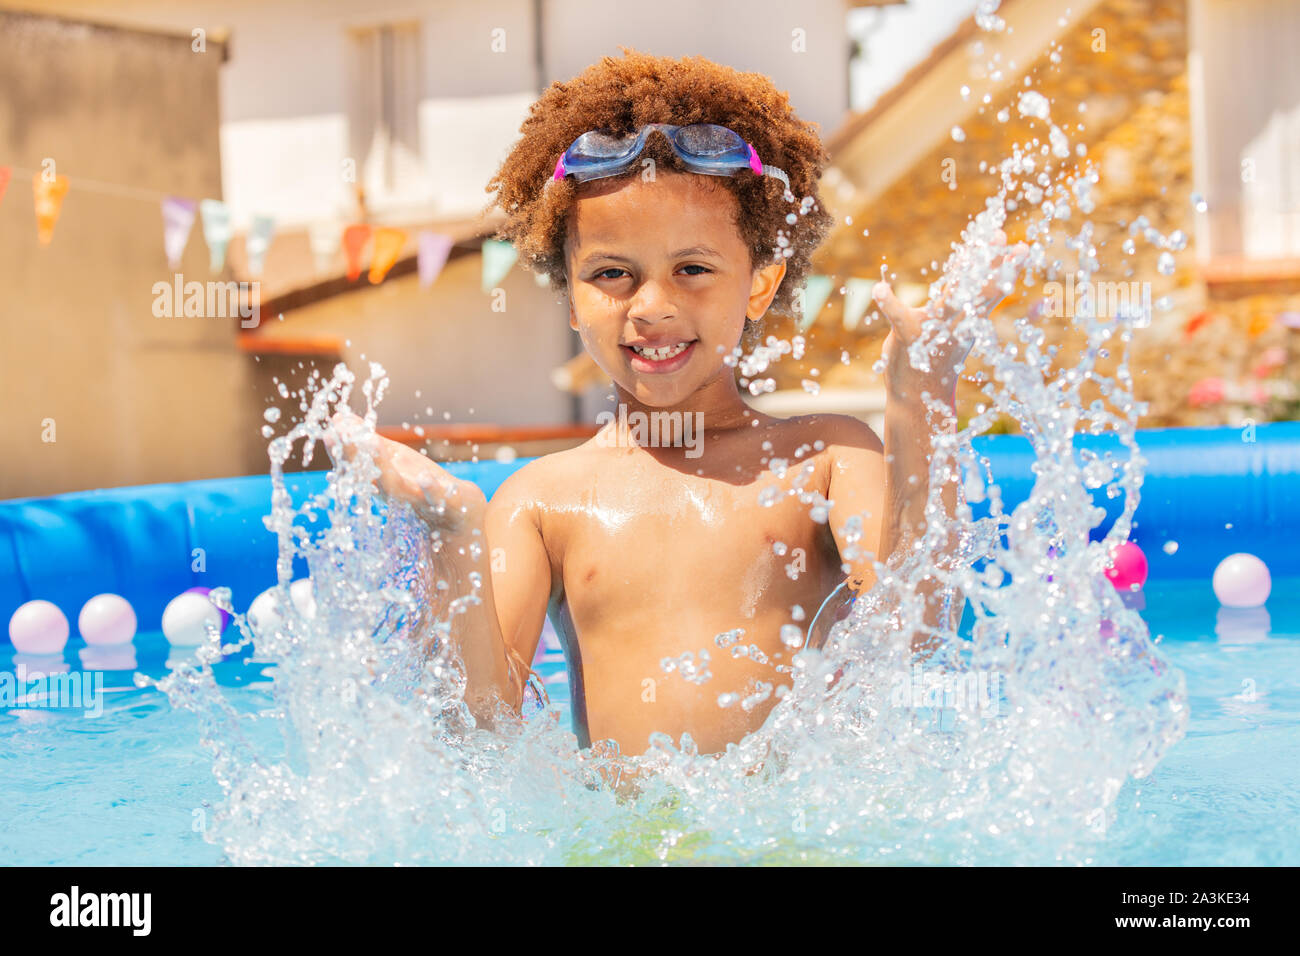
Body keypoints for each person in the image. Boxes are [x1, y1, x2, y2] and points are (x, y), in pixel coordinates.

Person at [329, 50, 1022, 762]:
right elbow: (479, 733)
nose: (652, 307)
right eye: (611, 274)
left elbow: (917, 631)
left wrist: (920, 397)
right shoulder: (539, 502)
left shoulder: (826, 458)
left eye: (692, 269)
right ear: (570, 296)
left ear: (759, 284)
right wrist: (453, 537)